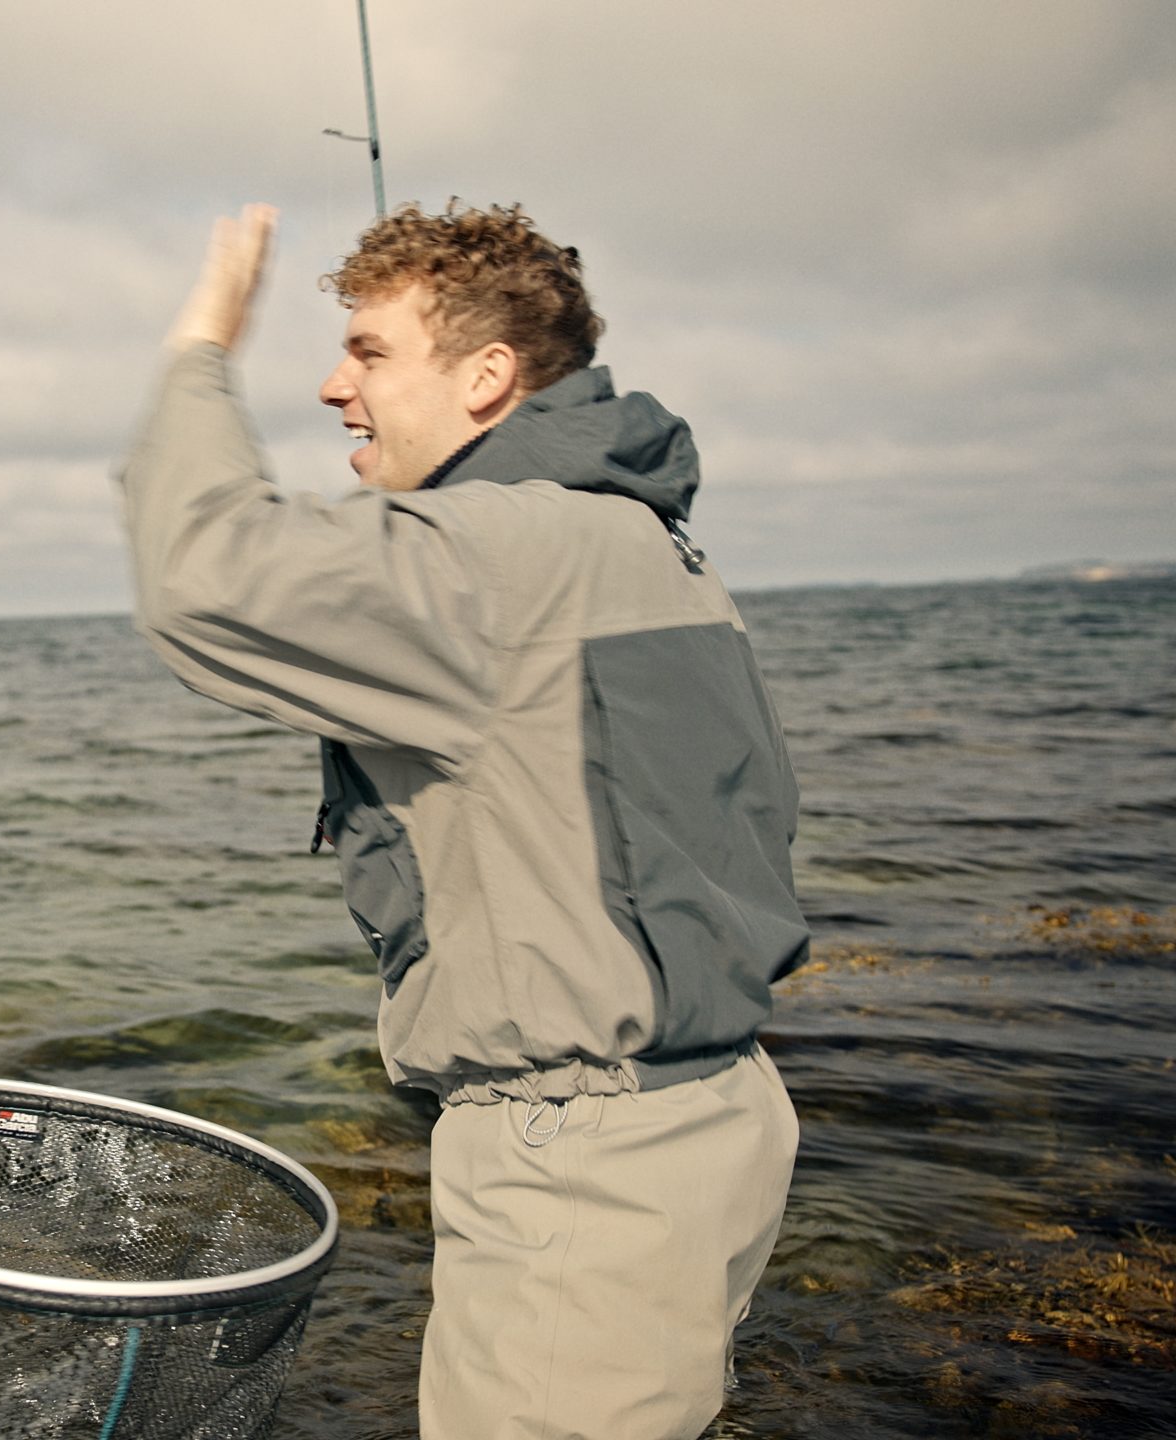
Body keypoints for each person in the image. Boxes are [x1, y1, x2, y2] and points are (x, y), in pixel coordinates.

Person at [117, 202, 805, 1439]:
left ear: (488, 377)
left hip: (586, 1160)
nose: (333, 386)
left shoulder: (494, 556)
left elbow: (200, 577)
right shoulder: (646, 541)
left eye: (370, 353)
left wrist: (201, 344)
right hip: (716, 1119)